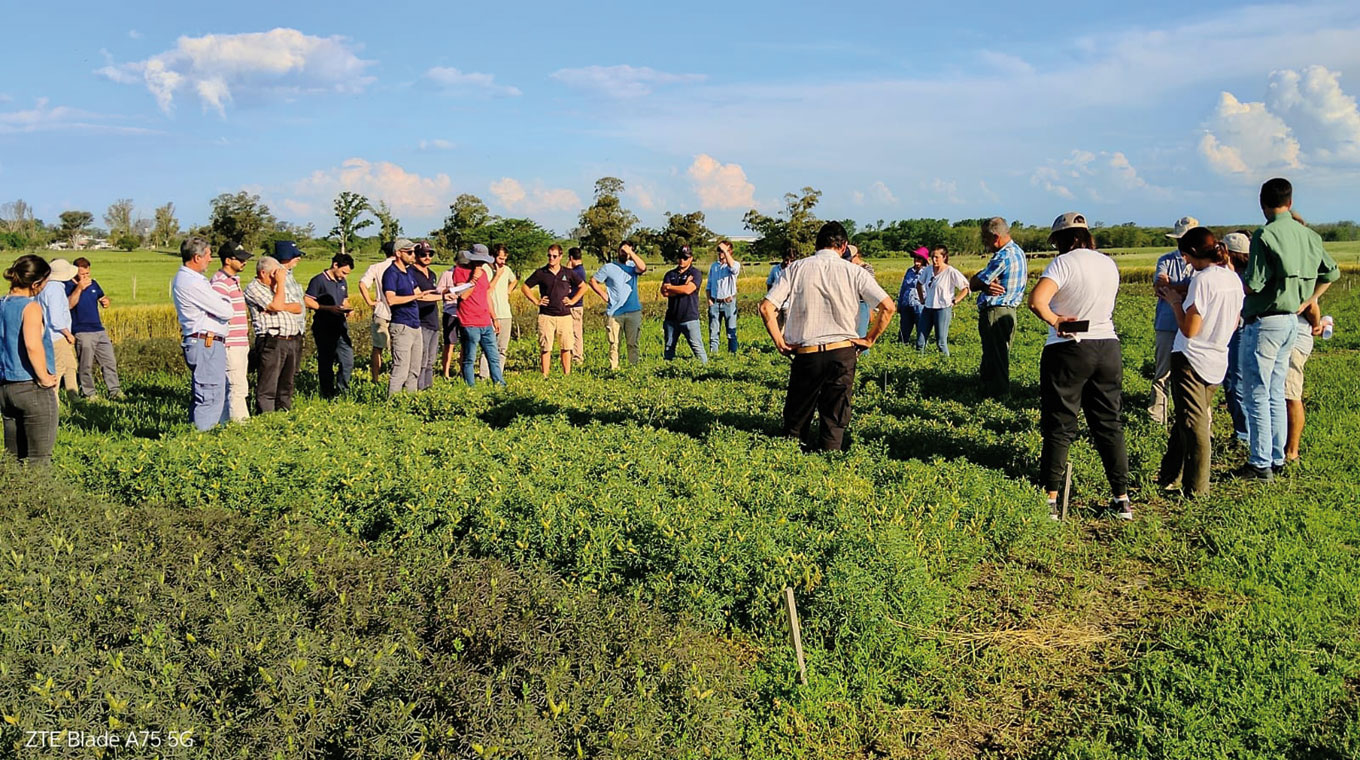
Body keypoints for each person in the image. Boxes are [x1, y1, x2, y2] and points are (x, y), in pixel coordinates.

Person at [1027, 212, 1130, 520]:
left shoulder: (1064, 263)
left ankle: (1050, 501)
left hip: (1069, 347)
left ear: (1063, 239)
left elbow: (1037, 300)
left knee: (1060, 425)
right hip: (1108, 346)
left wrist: (1057, 320)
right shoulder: (1108, 263)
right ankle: (1121, 499)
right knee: (1109, 424)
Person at [759, 221, 895, 452]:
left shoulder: (795, 268)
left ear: (816, 245)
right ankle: (830, 465)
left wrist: (780, 342)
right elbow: (888, 307)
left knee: (797, 417)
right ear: (843, 247)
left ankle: (790, 463)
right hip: (843, 351)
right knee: (835, 417)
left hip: (807, 353)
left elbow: (766, 308)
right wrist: (869, 339)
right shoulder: (854, 271)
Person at [1239, 178, 1339, 481]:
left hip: (1265, 321)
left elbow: (1254, 284)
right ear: (1290, 202)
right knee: (1276, 392)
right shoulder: (1309, 235)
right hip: (1292, 324)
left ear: (1262, 203)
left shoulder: (1265, 234)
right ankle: (1278, 457)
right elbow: (1331, 272)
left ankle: (1260, 463)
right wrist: (1310, 298)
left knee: (1256, 393)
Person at [1154, 228, 1244, 498]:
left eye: (1186, 257)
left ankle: (1196, 489)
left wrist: (1173, 302)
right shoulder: (1232, 279)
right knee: (1186, 419)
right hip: (1217, 357)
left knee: (1195, 426)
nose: (1186, 263)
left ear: (1193, 253)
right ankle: (1170, 475)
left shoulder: (1202, 281)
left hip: (1192, 358)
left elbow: (1190, 328)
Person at [0, 255, 58, 465]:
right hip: (31, 387)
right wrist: (44, 378)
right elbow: (32, 345)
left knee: (13, 458)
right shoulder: (30, 307)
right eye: (44, 282)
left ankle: (12, 495)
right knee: (39, 459)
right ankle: (40, 497)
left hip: (6, 388)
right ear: (35, 284)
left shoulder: (1, 305)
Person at [171, 237, 234, 431]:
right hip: (205, 342)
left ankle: (214, 436)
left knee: (216, 392)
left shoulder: (194, 279)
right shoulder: (191, 282)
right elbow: (226, 311)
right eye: (208, 255)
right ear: (197, 257)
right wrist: (224, 303)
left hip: (207, 342)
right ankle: (202, 441)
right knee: (210, 395)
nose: (211, 259)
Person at [243, 245, 305, 414]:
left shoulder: (277, 288)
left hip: (291, 338)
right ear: (263, 273)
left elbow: (298, 307)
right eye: (274, 274)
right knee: (268, 384)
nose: (277, 277)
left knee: (287, 384)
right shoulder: (254, 288)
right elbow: (276, 305)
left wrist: (280, 303)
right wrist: (281, 286)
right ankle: (266, 418)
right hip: (272, 340)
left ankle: (284, 415)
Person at [970, 218, 1027, 396]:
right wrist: (985, 283)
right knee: (997, 355)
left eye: (986, 239)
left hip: (996, 311)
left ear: (995, 237)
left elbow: (973, 283)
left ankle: (998, 395)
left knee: (996, 358)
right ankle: (988, 392)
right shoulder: (1017, 251)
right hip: (1008, 311)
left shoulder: (1003, 256)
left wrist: (980, 281)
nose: (985, 244)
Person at [1149, 216, 1197, 424]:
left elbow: (1171, 288)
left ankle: (1190, 418)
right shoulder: (1166, 260)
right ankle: (1156, 418)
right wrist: (1188, 288)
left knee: (1193, 374)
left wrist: (1174, 289)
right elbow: (1161, 287)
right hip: (1167, 324)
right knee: (1162, 373)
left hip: (1194, 324)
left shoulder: (1202, 262)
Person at [520, 245, 585, 377]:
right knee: (546, 347)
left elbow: (583, 286)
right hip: (546, 315)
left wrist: (572, 301)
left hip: (565, 315)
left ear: (560, 257)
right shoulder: (541, 273)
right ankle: (545, 375)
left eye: (554, 256)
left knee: (566, 347)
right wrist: (536, 301)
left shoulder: (568, 272)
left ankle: (566, 375)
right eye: (549, 255)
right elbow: (525, 287)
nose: (551, 258)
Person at [64, 257, 123, 400]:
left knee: (109, 361)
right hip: (82, 331)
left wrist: (105, 301)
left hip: (99, 329)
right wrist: (79, 288)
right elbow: (68, 305)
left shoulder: (94, 284)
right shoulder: (67, 286)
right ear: (74, 272)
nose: (85, 277)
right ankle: (89, 393)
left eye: (87, 274)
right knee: (86, 365)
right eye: (82, 274)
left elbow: (102, 296)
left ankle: (114, 391)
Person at [209, 243, 253, 422]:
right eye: (240, 259)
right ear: (228, 260)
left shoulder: (232, 281)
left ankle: (228, 421)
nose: (244, 262)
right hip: (230, 343)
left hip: (239, 342)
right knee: (236, 385)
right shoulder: (220, 283)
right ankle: (239, 424)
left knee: (238, 384)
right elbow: (218, 313)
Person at [381, 239, 429, 395]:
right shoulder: (391, 273)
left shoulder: (409, 272)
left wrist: (444, 295)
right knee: (401, 368)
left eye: (413, 252)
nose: (413, 255)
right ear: (398, 253)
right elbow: (391, 299)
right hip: (401, 325)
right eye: (409, 252)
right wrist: (415, 296)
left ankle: (410, 400)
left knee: (415, 368)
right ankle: (393, 402)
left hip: (415, 325)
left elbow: (418, 294)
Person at [305, 252, 355, 399]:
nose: (344, 276)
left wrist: (348, 309)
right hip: (324, 326)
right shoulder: (318, 280)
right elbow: (308, 300)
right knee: (326, 362)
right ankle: (327, 394)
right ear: (335, 265)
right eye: (343, 272)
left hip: (340, 326)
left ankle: (343, 391)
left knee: (348, 361)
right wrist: (328, 308)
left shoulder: (342, 282)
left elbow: (345, 300)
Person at [590, 241, 647, 369]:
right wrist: (603, 294)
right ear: (618, 251)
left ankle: (634, 368)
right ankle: (614, 369)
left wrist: (631, 253)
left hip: (633, 311)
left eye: (626, 252)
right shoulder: (608, 267)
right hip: (615, 312)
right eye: (622, 251)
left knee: (633, 343)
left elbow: (643, 268)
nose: (624, 253)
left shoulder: (633, 266)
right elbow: (593, 281)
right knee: (614, 343)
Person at [454, 244, 504, 387]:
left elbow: (487, 296)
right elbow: (463, 295)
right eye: (479, 260)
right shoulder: (460, 271)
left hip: (485, 321)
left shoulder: (484, 273)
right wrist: (473, 280)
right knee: (469, 358)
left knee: (494, 357)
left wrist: (494, 317)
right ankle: (471, 388)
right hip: (469, 322)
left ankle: (499, 384)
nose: (481, 263)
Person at [1220, 231, 1252, 442]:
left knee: (1235, 381)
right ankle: (1242, 430)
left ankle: (1244, 434)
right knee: (1232, 380)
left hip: (1240, 329)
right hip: (1235, 329)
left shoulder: (1242, 276)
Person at [1284, 301, 1324, 464]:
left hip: (1295, 339)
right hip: (1294, 335)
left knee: (1290, 394)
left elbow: (1311, 306)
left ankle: (1292, 452)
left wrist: (1316, 324)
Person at [915, 246, 970, 355]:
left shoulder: (950, 271)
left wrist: (955, 301)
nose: (934, 260)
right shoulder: (928, 270)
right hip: (928, 308)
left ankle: (945, 365)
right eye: (932, 257)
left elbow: (965, 288)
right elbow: (919, 283)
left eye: (937, 257)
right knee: (920, 341)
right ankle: (918, 365)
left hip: (942, 309)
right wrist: (922, 299)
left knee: (941, 342)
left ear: (944, 257)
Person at [37, 258, 77, 397]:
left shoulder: (46, 286)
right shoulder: (55, 288)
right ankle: (53, 400)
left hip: (51, 334)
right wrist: (67, 334)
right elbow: (56, 318)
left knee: (70, 365)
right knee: (58, 368)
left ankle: (74, 396)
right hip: (57, 335)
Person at [660, 246, 707, 363]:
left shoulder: (695, 273)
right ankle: (666, 373)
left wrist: (671, 287)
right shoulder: (670, 274)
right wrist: (682, 287)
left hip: (689, 317)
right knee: (669, 348)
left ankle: (706, 372)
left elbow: (688, 290)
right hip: (671, 318)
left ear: (691, 258)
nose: (682, 260)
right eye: (680, 257)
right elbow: (664, 292)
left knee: (697, 348)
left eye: (685, 258)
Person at [359, 240, 397, 383]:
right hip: (400, 312)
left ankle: (375, 378)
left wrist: (370, 301)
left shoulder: (376, 267)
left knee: (377, 348)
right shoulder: (403, 267)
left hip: (381, 310)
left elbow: (362, 284)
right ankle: (396, 377)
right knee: (399, 348)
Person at [479, 243, 517, 380]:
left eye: (505, 259)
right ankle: (484, 375)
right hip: (490, 313)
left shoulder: (506, 269)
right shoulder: (485, 269)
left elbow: (514, 280)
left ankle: (498, 375)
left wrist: (509, 290)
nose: (503, 262)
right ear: (493, 257)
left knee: (502, 348)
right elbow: (487, 290)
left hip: (506, 314)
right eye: (500, 259)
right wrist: (497, 276)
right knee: (488, 347)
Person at [409, 242, 441, 390]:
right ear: (416, 255)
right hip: (420, 320)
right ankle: (418, 388)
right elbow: (418, 297)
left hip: (433, 319)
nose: (427, 257)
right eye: (423, 254)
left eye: (430, 254)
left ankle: (428, 388)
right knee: (421, 359)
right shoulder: (411, 273)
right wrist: (441, 297)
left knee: (431, 359)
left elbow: (433, 294)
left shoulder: (432, 274)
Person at [707, 239, 742, 355]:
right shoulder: (714, 266)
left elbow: (733, 269)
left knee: (731, 331)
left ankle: (732, 355)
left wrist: (725, 252)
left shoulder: (734, 264)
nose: (720, 252)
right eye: (719, 250)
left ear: (729, 251)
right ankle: (713, 356)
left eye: (723, 250)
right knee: (713, 332)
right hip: (715, 302)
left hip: (729, 302)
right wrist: (709, 301)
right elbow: (709, 284)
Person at [896, 247, 928, 345]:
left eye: (919, 258)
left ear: (923, 260)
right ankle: (901, 346)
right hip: (906, 303)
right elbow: (903, 287)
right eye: (915, 257)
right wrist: (899, 303)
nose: (916, 260)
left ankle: (921, 348)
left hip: (920, 304)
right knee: (904, 329)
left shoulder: (928, 272)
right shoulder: (909, 271)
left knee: (921, 328)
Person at [847, 244, 876, 339]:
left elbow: (868, 289)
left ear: (857, 256)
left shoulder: (866, 268)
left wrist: (871, 308)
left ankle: (864, 353)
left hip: (862, 303)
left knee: (860, 335)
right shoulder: (849, 268)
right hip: (849, 302)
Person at [567, 247, 587, 364]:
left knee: (575, 332)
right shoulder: (581, 270)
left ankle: (577, 357)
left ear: (570, 258)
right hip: (577, 305)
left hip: (575, 306)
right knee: (574, 332)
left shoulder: (575, 272)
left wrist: (567, 268)